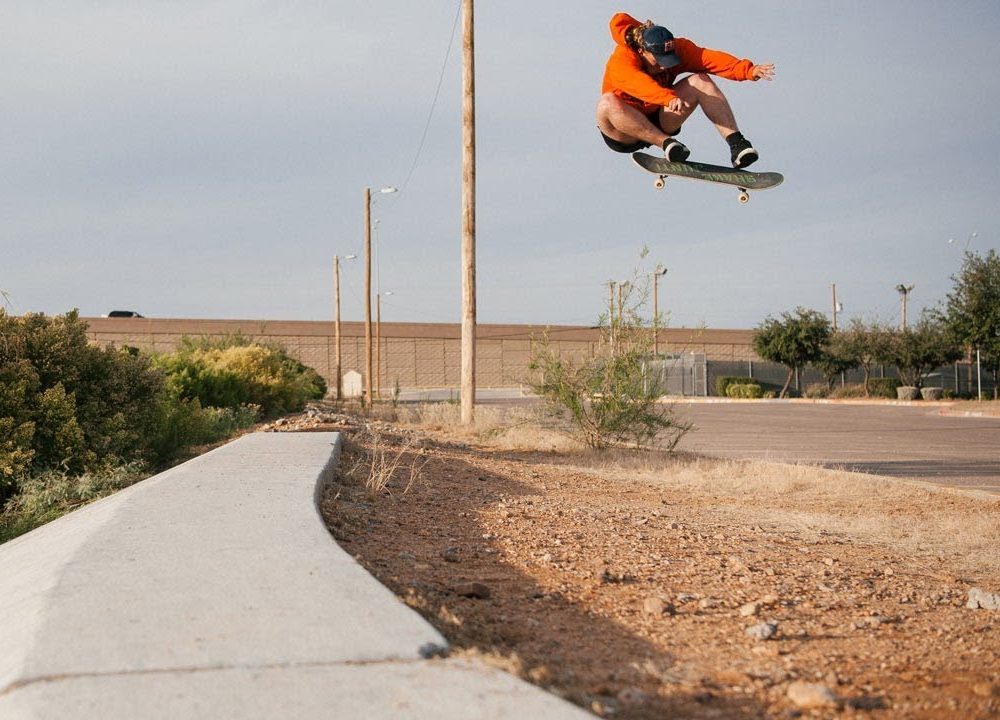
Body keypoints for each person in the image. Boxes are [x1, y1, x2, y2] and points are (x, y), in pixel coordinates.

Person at [596, 12, 775, 168]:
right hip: (624, 131)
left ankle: (737, 144)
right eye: (658, 60)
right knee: (607, 103)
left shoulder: (679, 48)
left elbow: (708, 59)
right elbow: (636, 82)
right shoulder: (622, 59)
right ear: (643, 50)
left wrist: (748, 70)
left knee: (701, 80)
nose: (664, 67)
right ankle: (666, 144)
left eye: (668, 60)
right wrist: (667, 97)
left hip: (660, 117)